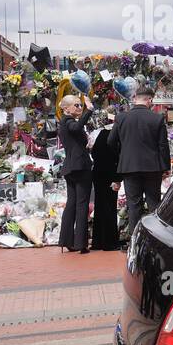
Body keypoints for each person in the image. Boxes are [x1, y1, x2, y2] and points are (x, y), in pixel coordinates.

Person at [109, 85, 170, 236]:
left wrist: (123, 154)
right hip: (152, 167)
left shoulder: (122, 117)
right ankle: (155, 238)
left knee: (133, 205)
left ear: (135, 98)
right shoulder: (157, 118)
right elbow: (163, 145)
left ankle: (134, 239)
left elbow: (111, 141)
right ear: (150, 100)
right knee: (154, 204)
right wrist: (165, 168)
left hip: (129, 166)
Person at [58, 93, 94, 253]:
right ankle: (80, 243)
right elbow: (77, 127)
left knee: (72, 203)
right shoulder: (68, 121)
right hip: (79, 167)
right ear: (66, 109)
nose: (80, 107)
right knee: (81, 204)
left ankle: (67, 240)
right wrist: (89, 110)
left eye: (80, 105)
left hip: (71, 166)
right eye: (77, 105)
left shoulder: (64, 122)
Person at [90, 110, 121, 251]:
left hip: (98, 174)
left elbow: (94, 153)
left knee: (99, 206)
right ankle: (109, 242)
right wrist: (117, 178)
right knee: (110, 207)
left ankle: (98, 241)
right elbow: (117, 158)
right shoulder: (114, 137)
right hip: (110, 174)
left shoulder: (99, 134)